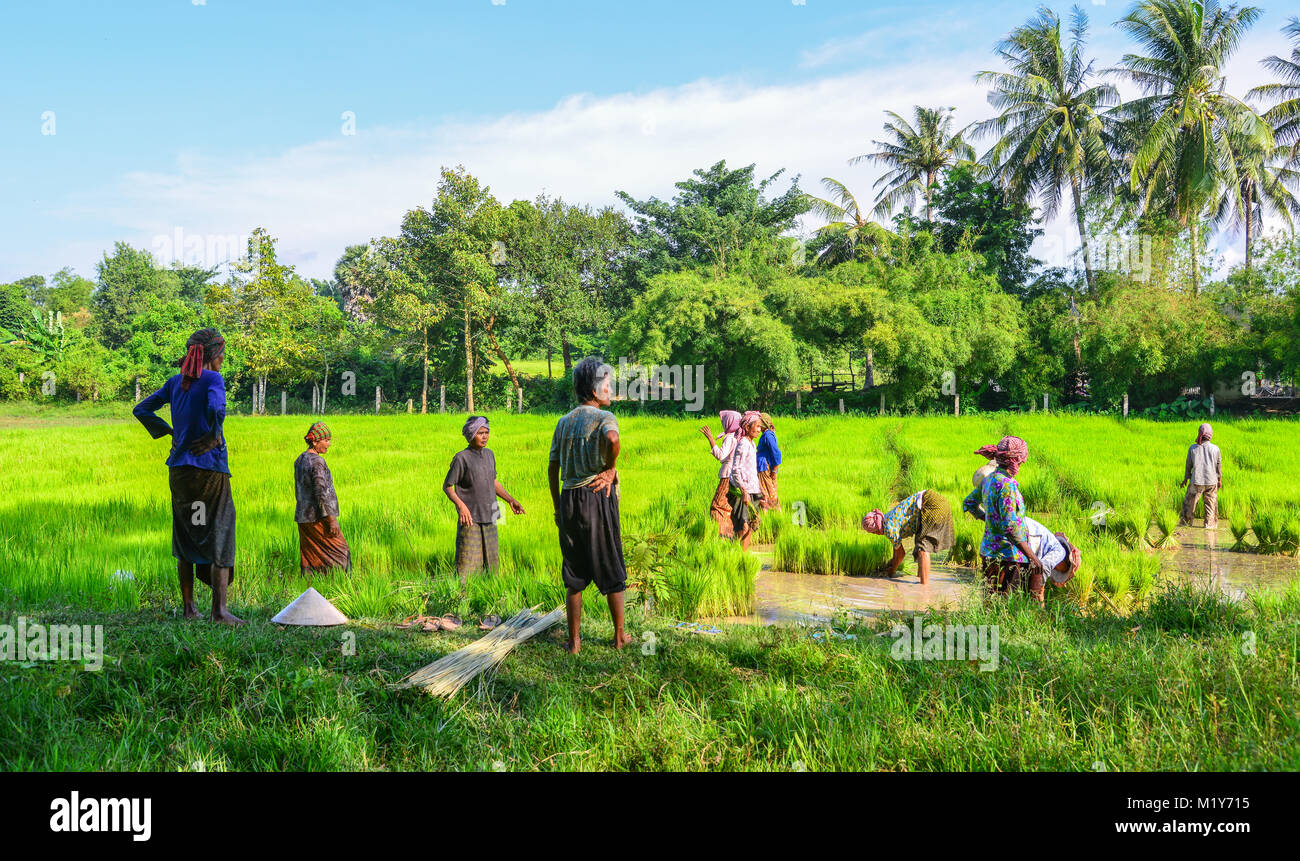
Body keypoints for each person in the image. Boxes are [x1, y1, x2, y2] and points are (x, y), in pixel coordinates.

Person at [133, 328, 243, 625]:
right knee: (219, 531)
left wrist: (167, 431)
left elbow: (141, 408)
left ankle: (189, 608)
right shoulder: (213, 379)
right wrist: (214, 435)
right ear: (213, 354)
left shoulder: (174, 383)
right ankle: (219, 611)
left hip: (180, 471)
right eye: (222, 354)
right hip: (209, 469)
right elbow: (217, 407)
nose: (223, 359)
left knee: (187, 533)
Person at [548, 358, 633, 654]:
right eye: (607, 385)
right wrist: (610, 470)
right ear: (595, 390)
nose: (610, 390)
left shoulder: (564, 421)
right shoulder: (604, 417)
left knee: (574, 573)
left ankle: (574, 642)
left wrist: (558, 508)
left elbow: (552, 467)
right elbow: (612, 440)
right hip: (597, 495)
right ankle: (620, 636)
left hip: (569, 498)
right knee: (611, 565)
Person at [961, 436, 1048, 604]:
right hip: (1008, 557)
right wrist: (1032, 557)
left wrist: (990, 520)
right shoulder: (1007, 485)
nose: (1022, 463)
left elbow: (969, 503)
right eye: (1021, 460)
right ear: (1014, 460)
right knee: (1006, 608)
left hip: (988, 552)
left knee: (990, 603)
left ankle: (987, 630)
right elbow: (1010, 526)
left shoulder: (988, 480)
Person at [443, 416, 525, 577]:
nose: (485, 436)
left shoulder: (489, 454)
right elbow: (447, 486)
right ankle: (463, 596)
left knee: (492, 560)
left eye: (487, 432)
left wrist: (510, 500)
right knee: (467, 561)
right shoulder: (461, 458)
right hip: (470, 516)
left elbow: (493, 481)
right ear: (471, 434)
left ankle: (489, 594)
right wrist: (461, 507)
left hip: (491, 512)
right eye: (480, 433)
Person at [861, 489, 954, 584]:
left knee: (923, 549)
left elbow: (901, 555)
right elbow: (896, 552)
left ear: (876, 530)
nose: (876, 534)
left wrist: (890, 572)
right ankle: (919, 578)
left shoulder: (889, 528)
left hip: (931, 504)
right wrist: (891, 563)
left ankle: (924, 590)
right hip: (940, 502)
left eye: (873, 532)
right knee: (920, 548)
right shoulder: (889, 518)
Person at [294, 421, 351, 575]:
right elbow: (321, 493)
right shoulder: (317, 461)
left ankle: (311, 589)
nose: (329, 444)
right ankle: (339, 589)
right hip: (318, 518)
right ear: (315, 441)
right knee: (342, 554)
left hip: (303, 517)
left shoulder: (300, 459)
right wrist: (331, 520)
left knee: (310, 557)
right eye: (326, 440)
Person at [700, 410, 742, 537]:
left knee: (717, 506)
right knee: (727, 505)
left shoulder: (729, 437)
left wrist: (711, 439)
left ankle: (724, 533)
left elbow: (721, 456)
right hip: (733, 476)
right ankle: (731, 532)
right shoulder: (737, 436)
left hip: (726, 476)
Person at [728, 413, 765, 551]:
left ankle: (741, 554)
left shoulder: (752, 443)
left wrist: (761, 489)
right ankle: (737, 555)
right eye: (757, 426)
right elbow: (735, 469)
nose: (759, 429)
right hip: (742, 492)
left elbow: (752, 469)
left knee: (753, 524)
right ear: (748, 427)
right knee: (743, 526)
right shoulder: (743, 444)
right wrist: (743, 491)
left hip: (753, 489)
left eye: (761, 427)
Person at [1180, 422, 1222, 529]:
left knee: (1190, 505)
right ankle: (1209, 526)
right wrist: (1219, 480)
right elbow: (1218, 466)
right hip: (1211, 481)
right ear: (1210, 434)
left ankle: (1185, 524)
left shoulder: (1193, 448)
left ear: (1199, 434)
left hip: (1196, 481)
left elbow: (1188, 465)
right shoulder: (1215, 448)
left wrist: (1186, 479)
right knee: (1211, 506)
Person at [756, 413, 782, 510]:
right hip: (763, 467)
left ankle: (776, 515)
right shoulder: (767, 434)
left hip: (764, 468)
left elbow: (777, 453)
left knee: (768, 494)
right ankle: (767, 516)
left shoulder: (767, 435)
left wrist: (774, 471)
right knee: (765, 493)